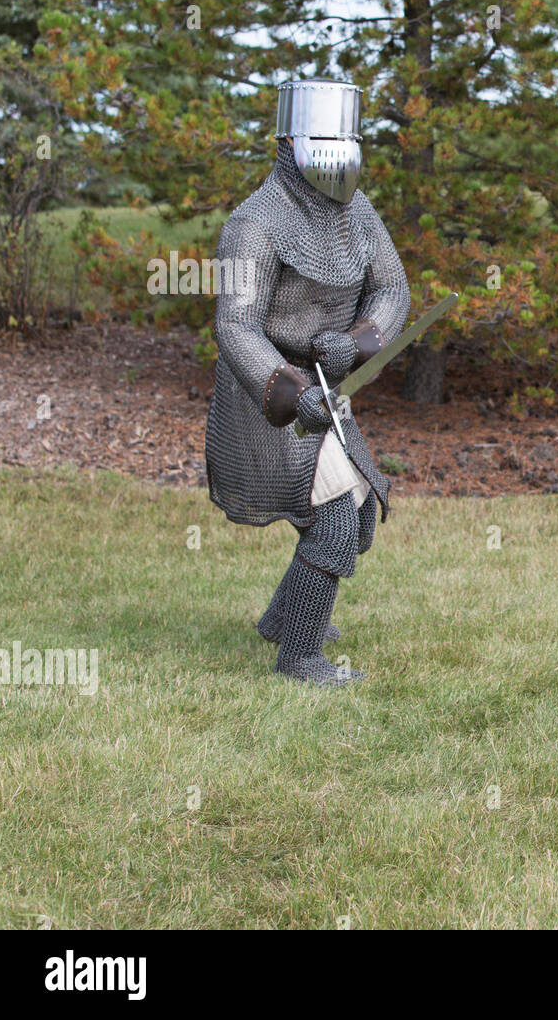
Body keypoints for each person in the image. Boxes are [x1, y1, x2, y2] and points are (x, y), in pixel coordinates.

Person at [205, 79, 410, 685]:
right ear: (289, 141)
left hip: (328, 385)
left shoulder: (357, 211)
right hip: (265, 396)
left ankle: (283, 618)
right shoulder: (255, 223)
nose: (337, 151)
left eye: (345, 137)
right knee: (336, 516)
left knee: (358, 519)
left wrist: (359, 341)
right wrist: (292, 391)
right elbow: (236, 324)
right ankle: (299, 656)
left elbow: (391, 288)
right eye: (323, 138)